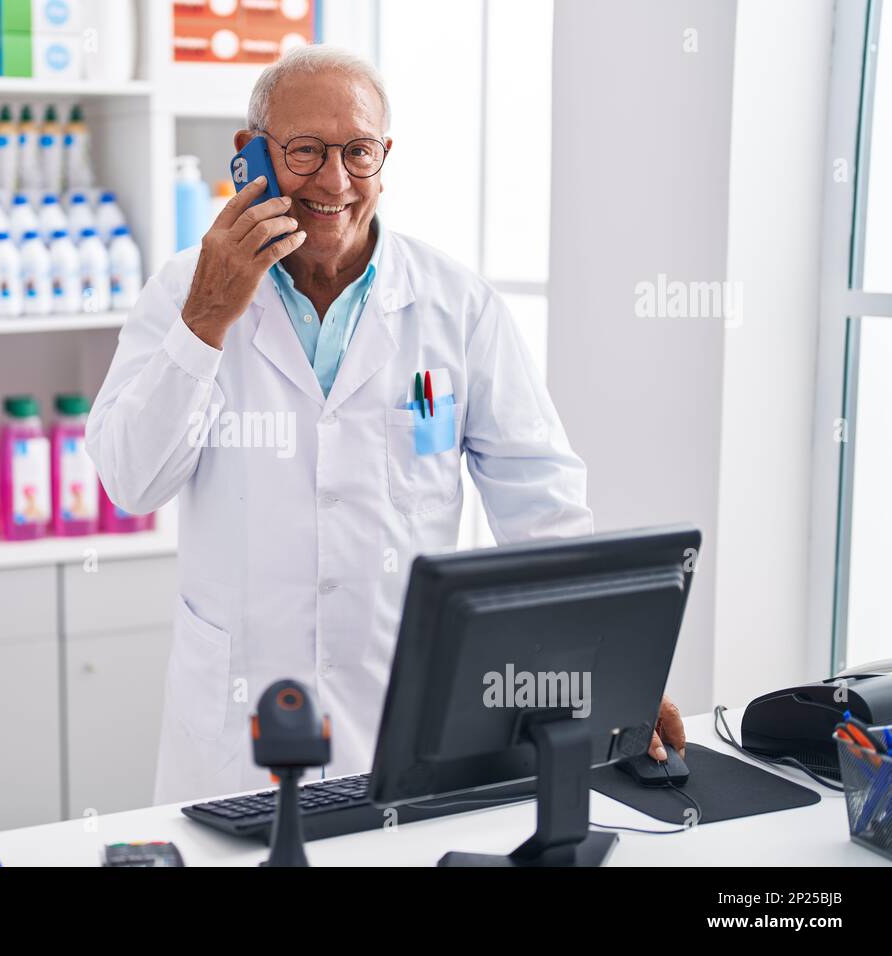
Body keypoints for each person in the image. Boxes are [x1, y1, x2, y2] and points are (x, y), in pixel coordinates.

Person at [88, 45, 686, 803]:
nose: (333, 181)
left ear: (384, 156)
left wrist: (610, 667)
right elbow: (129, 482)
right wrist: (205, 323)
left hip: (405, 727)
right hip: (235, 733)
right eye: (304, 151)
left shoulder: (456, 307)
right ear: (251, 158)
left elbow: (543, 509)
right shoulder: (184, 291)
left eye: (358, 152)